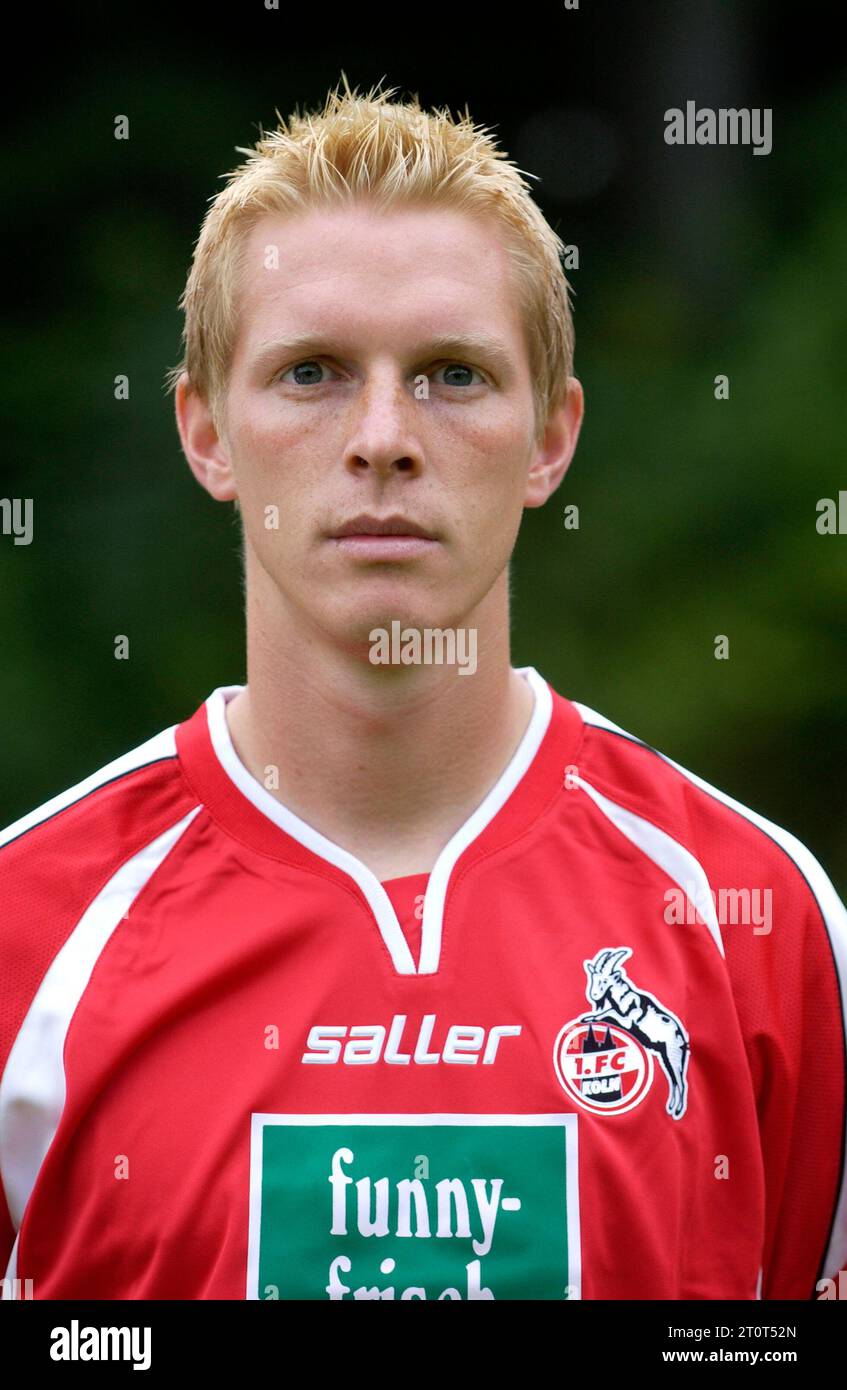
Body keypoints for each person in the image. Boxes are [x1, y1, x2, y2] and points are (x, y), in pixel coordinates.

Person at [1, 78, 844, 1302]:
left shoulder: (751, 918)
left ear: (551, 436)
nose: (384, 434)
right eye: (312, 372)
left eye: (453, 373)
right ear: (204, 434)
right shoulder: (28, 935)